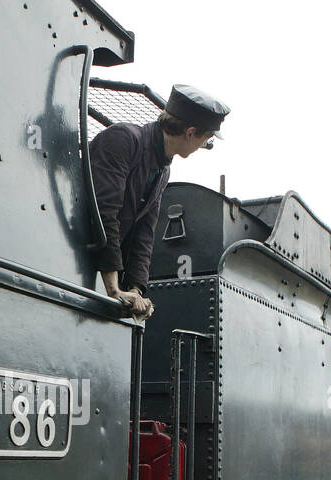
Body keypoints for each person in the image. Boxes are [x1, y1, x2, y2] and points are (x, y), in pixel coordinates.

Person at [89, 84, 229, 321]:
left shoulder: (162, 170)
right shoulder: (123, 140)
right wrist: (113, 289)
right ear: (190, 132)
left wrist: (135, 290)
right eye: (205, 139)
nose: (202, 147)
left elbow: (144, 234)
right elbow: (104, 213)